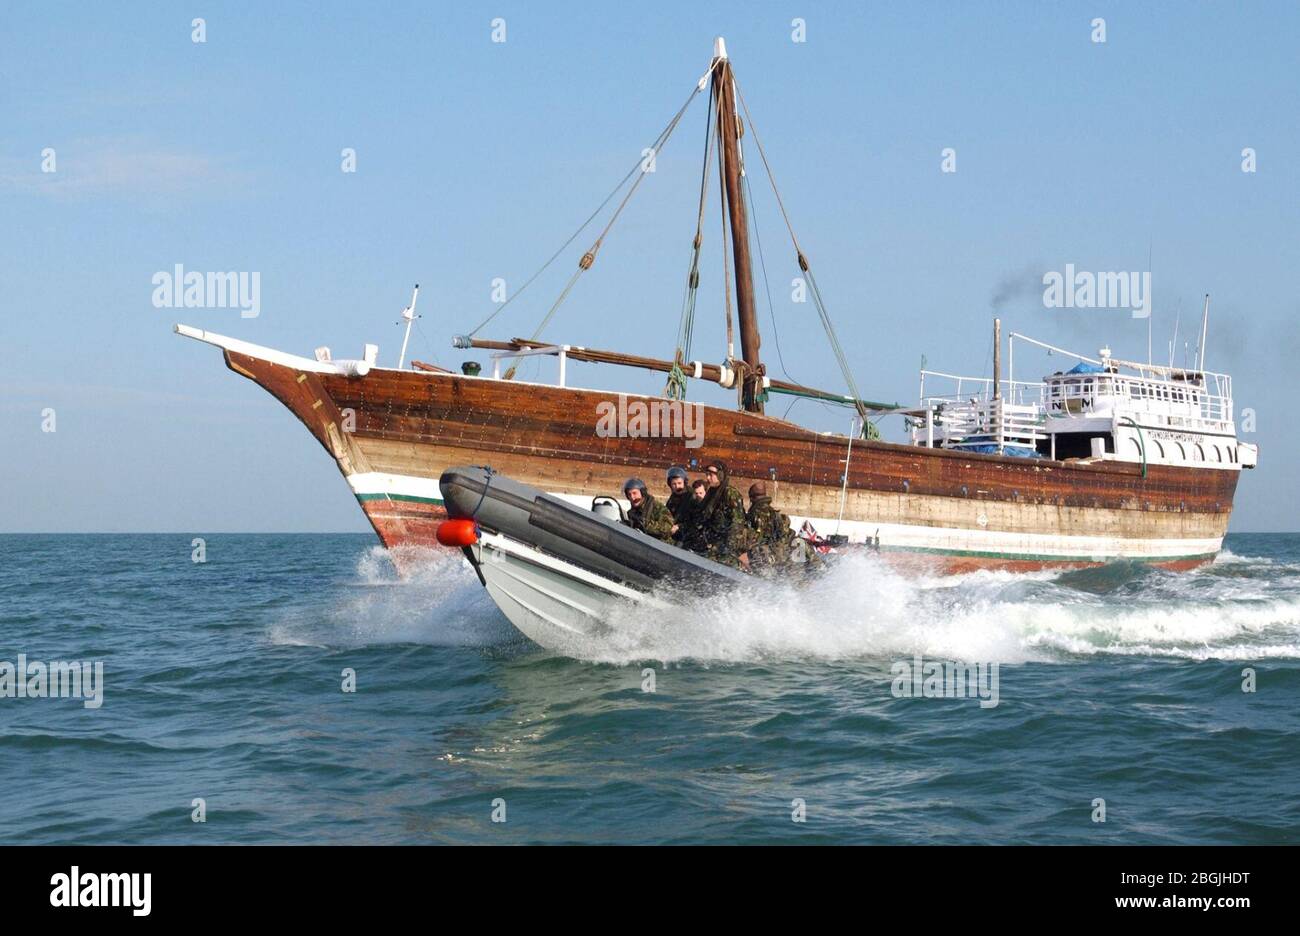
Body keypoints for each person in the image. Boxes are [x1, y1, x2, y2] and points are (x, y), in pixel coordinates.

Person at [698, 459, 753, 568]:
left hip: (726, 546)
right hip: (712, 542)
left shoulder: (730, 494)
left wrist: (729, 549)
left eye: (711, 475)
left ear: (720, 475)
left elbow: (737, 524)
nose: (708, 478)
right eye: (707, 474)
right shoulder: (711, 494)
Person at [745, 481, 794, 575]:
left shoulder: (756, 513)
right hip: (779, 554)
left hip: (763, 557)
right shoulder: (774, 513)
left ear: (751, 498)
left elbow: (753, 538)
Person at [623, 477, 675, 543]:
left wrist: (645, 525)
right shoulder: (632, 513)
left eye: (634, 493)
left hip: (661, 545)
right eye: (629, 495)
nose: (632, 498)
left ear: (643, 492)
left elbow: (668, 527)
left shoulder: (657, 507)